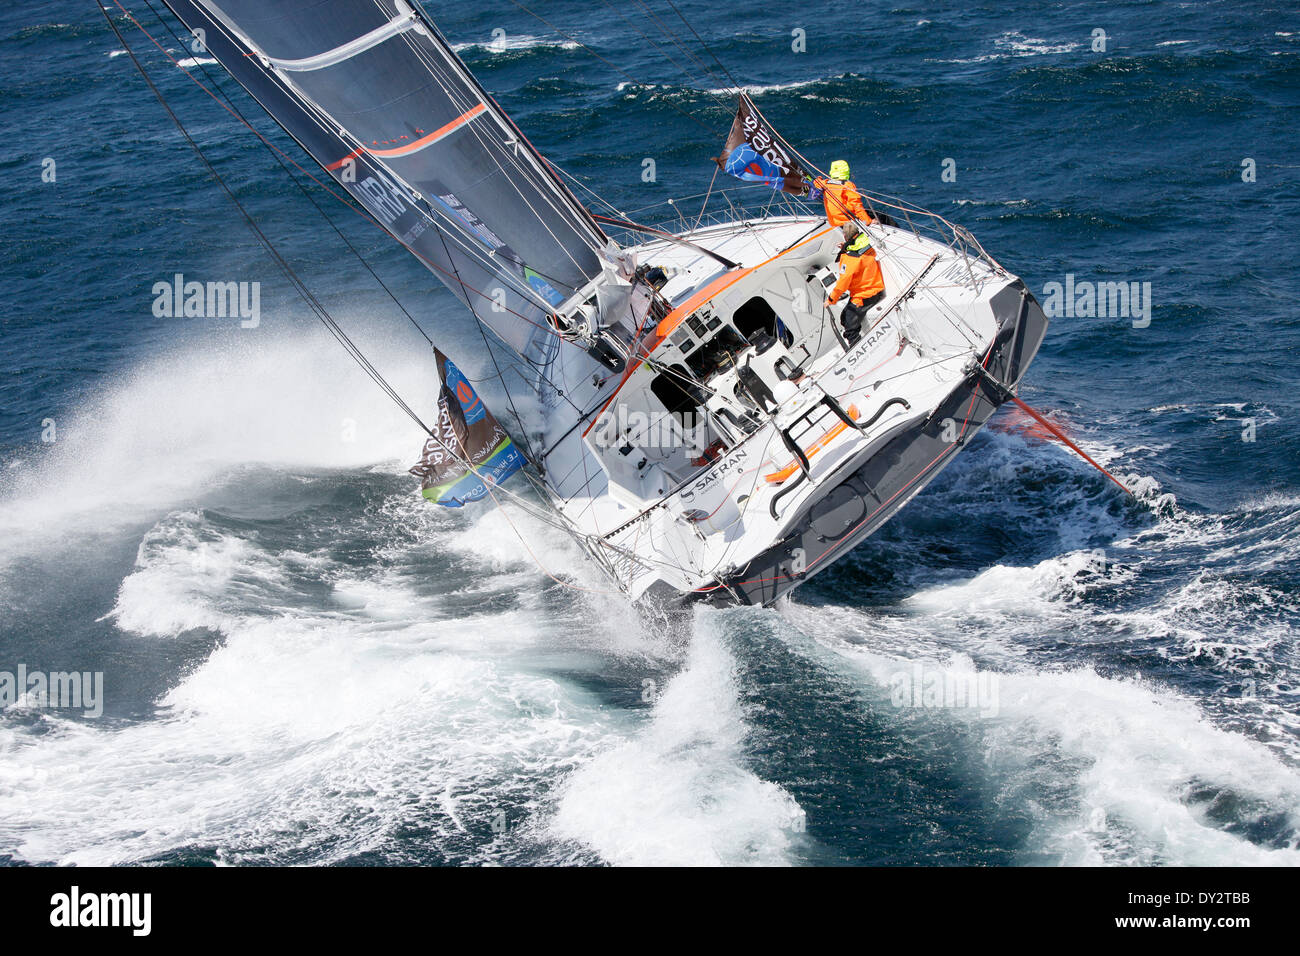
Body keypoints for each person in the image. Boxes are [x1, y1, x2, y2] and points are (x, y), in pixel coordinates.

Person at [824, 223, 885, 344]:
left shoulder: (849, 259)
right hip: (876, 287)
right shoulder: (867, 246)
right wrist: (846, 247)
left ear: (845, 237)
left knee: (846, 321)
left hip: (864, 296)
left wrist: (831, 299)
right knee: (847, 314)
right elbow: (858, 254)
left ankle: (857, 347)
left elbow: (843, 283)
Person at [811, 160, 871, 228]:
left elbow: (816, 183)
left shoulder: (824, 183)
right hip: (849, 222)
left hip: (834, 223)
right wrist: (867, 221)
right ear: (846, 171)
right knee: (876, 215)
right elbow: (856, 205)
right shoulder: (847, 185)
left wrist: (819, 178)